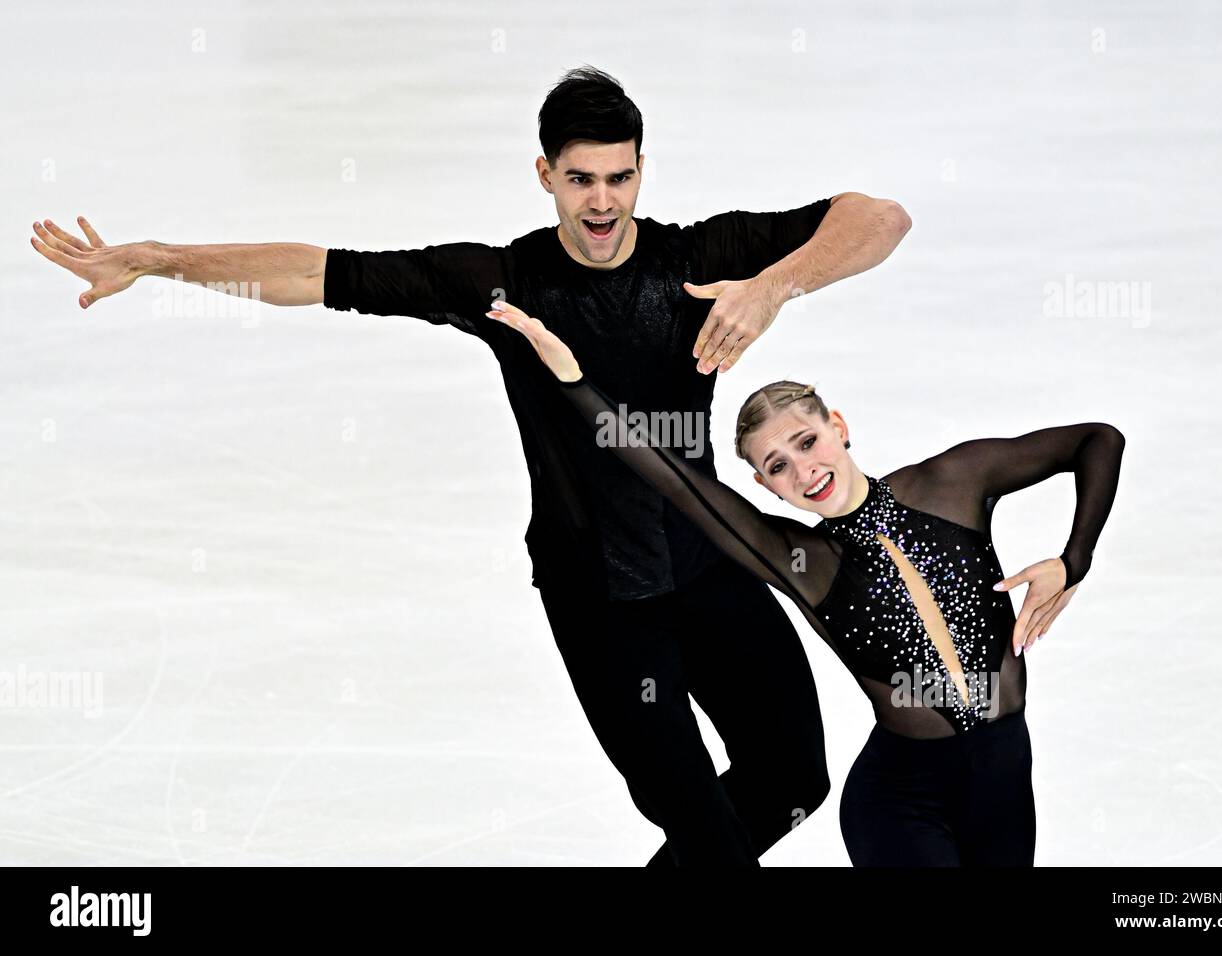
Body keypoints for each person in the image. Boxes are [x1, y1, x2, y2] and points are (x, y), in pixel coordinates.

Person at [29, 66, 913, 865]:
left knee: (794, 782)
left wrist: (774, 285)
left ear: (641, 171)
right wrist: (158, 261)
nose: (601, 202)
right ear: (545, 177)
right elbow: (318, 273)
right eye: (580, 180)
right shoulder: (501, 282)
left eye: (619, 176)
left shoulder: (697, 262)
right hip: (599, 597)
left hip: (714, 564)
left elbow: (879, 218)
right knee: (693, 823)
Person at [486, 297, 1125, 866]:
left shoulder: (953, 482)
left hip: (1007, 779)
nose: (805, 469)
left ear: (838, 427)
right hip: (900, 802)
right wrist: (573, 380)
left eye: (808, 441)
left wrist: (1073, 561)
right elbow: (672, 478)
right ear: (766, 487)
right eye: (778, 465)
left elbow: (1098, 441)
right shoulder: (798, 557)